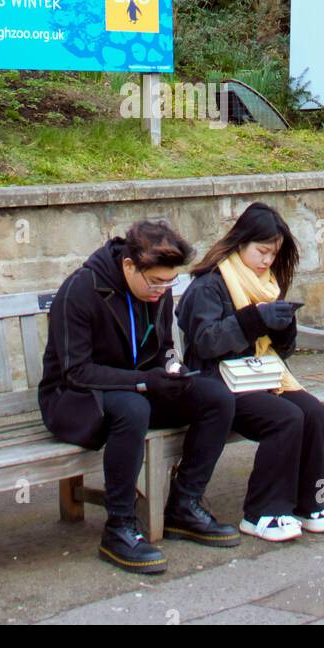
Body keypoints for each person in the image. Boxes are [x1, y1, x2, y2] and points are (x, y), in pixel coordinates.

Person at [38, 221, 239, 575]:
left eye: (169, 282)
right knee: (133, 408)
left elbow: (161, 349)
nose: (162, 290)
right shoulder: (81, 290)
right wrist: (143, 382)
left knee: (215, 396)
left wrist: (170, 371)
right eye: (156, 281)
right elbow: (76, 372)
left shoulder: (154, 292)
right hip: (73, 399)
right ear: (129, 265)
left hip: (137, 390)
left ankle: (184, 505)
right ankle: (119, 527)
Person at [176, 201, 324, 542]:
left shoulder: (267, 283)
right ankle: (263, 512)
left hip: (261, 375)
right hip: (217, 384)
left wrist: (282, 328)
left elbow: (281, 351)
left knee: (312, 411)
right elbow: (205, 342)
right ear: (240, 243)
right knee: (285, 419)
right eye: (262, 252)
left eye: (273, 255)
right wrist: (254, 319)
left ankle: (308, 504)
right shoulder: (210, 285)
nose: (267, 261)